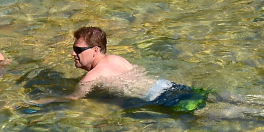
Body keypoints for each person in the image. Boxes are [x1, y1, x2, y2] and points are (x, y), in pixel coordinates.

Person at [61, 26, 209, 111]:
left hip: (160, 99)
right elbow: (138, 71)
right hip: (166, 85)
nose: (73, 53)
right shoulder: (117, 59)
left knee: (206, 115)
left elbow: (73, 99)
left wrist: (48, 100)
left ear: (95, 50)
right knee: (211, 99)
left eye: (78, 49)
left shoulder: (91, 77)